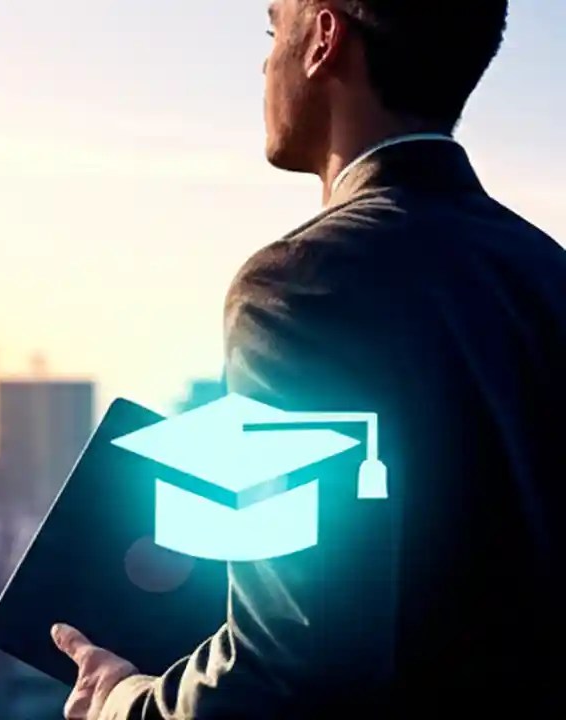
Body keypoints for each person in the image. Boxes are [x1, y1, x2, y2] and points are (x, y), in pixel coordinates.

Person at [52, 1, 566, 717]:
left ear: (323, 39)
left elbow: (291, 667)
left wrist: (119, 701)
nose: (265, 62)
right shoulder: (547, 272)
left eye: (273, 30)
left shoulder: (300, 286)